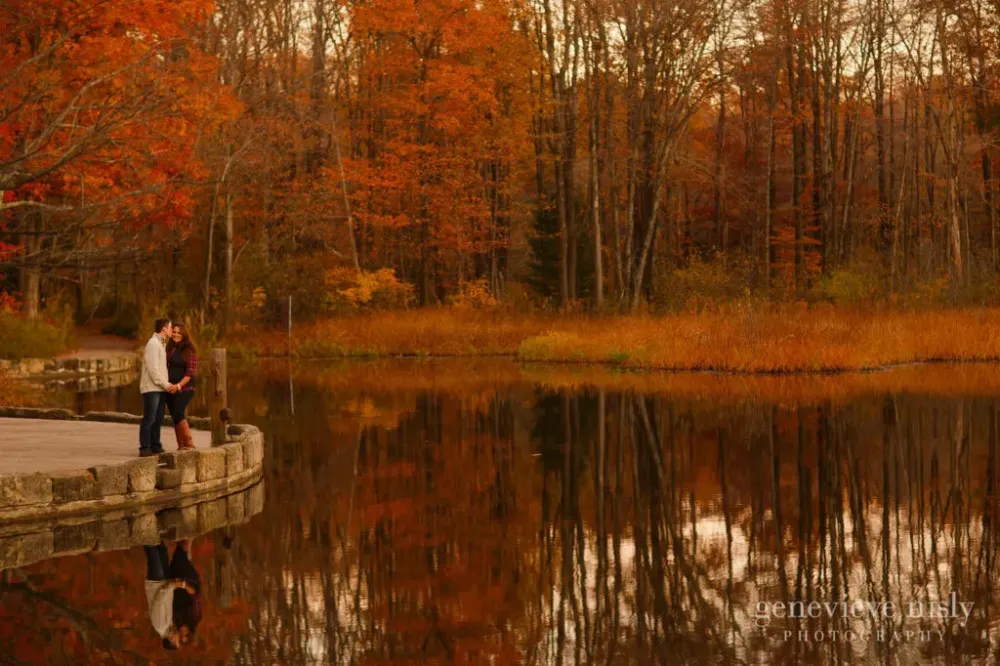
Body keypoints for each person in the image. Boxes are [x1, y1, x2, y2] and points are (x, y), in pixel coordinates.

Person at [143, 540, 202, 650]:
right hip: (167, 581)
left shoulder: (160, 626)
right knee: (161, 549)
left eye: (178, 640)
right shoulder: (172, 625)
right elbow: (195, 597)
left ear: (171, 640)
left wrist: (172, 585)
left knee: (152, 550)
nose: (179, 635)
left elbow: (158, 600)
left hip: (156, 582)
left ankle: (141, 532)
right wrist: (176, 585)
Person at [139, 318, 180, 457]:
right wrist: (167, 385)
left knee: (158, 419)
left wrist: (165, 386)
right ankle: (145, 447)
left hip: (160, 388)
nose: (172, 330)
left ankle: (155, 445)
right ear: (164, 329)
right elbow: (153, 371)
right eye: (170, 327)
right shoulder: (153, 344)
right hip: (151, 388)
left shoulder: (161, 344)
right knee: (149, 418)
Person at [165, 322, 198, 450]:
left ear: (184, 334)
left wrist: (178, 386)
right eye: (174, 332)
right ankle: (181, 445)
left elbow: (190, 373)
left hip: (185, 388)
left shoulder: (189, 350)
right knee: (175, 416)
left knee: (178, 412)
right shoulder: (170, 348)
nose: (176, 335)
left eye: (179, 332)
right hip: (170, 388)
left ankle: (189, 444)